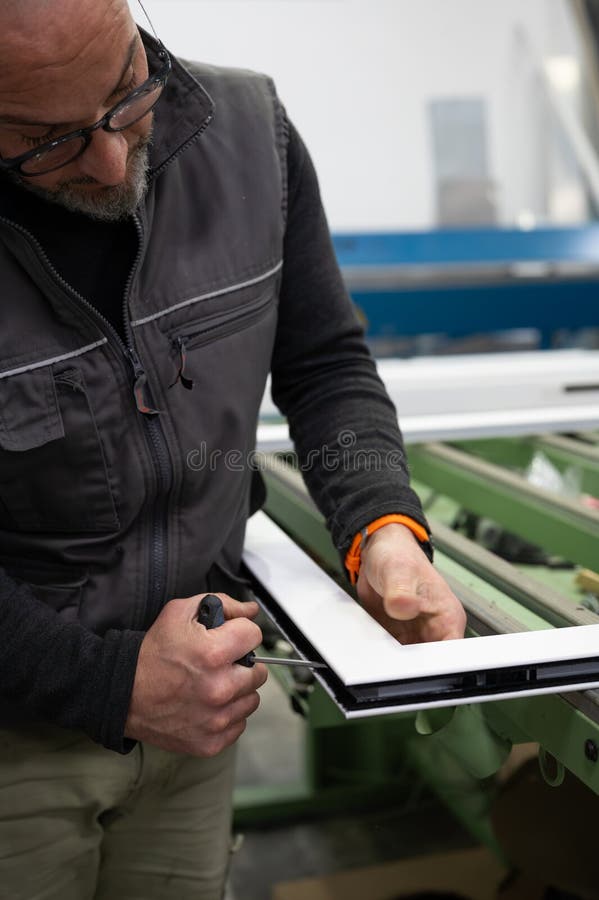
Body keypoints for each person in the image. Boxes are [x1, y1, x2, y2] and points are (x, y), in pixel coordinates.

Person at [0, 0, 466, 897]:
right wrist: (107, 684)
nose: (106, 161)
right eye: (42, 139)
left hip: (202, 707)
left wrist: (380, 527)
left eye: (126, 96)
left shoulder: (251, 134)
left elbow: (324, 363)